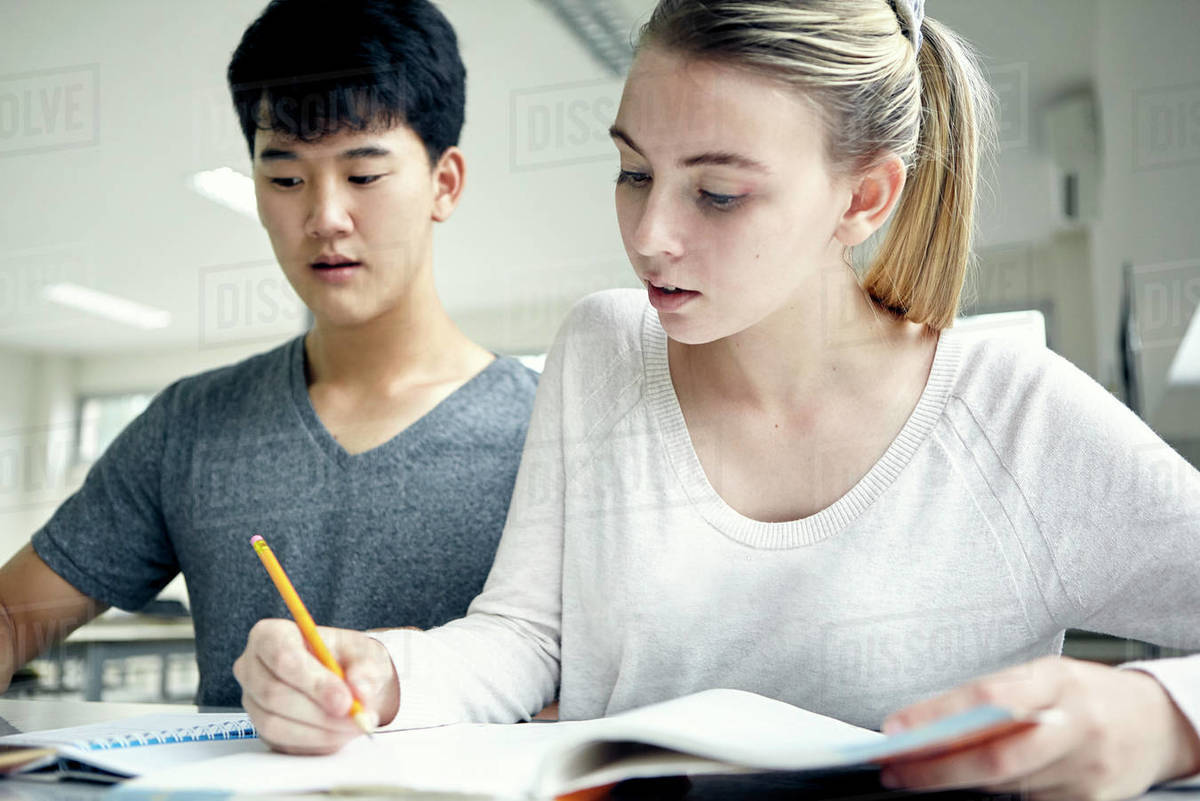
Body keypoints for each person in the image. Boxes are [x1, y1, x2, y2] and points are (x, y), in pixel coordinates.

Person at [236, 0, 1200, 797]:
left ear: (864, 198)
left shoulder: (1011, 414)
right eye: (633, 171)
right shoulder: (604, 349)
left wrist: (1164, 718)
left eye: (719, 194)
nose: (650, 233)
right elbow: (526, 637)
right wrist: (384, 671)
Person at [0, 0, 537, 708]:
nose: (324, 217)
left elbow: (596, 692)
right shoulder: (191, 424)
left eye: (364, 175)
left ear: (445, 182)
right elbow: (12, 617)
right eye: (285, 178)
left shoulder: (544, 430)